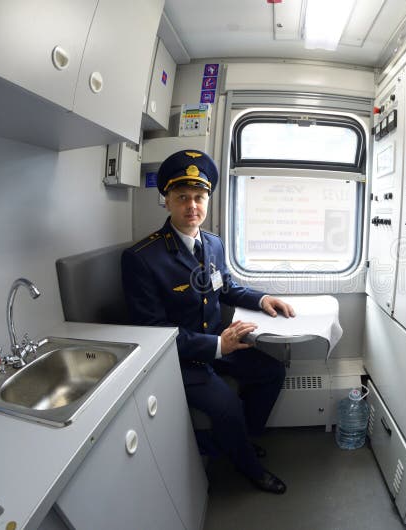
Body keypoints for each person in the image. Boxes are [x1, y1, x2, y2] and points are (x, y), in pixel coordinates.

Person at [121, 149, 295, 494]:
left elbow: (226, 287)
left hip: (219, 341)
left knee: (272, 372)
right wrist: (217, 345)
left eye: (199, 197)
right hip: (179, 358)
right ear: (166, 200)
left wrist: (262, 299)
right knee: (227, 406)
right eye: (182, 197)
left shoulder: (212, 244)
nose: (192, 206)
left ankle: (237, 440)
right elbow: (155, 332)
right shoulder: (142, 259)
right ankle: (247, 464)